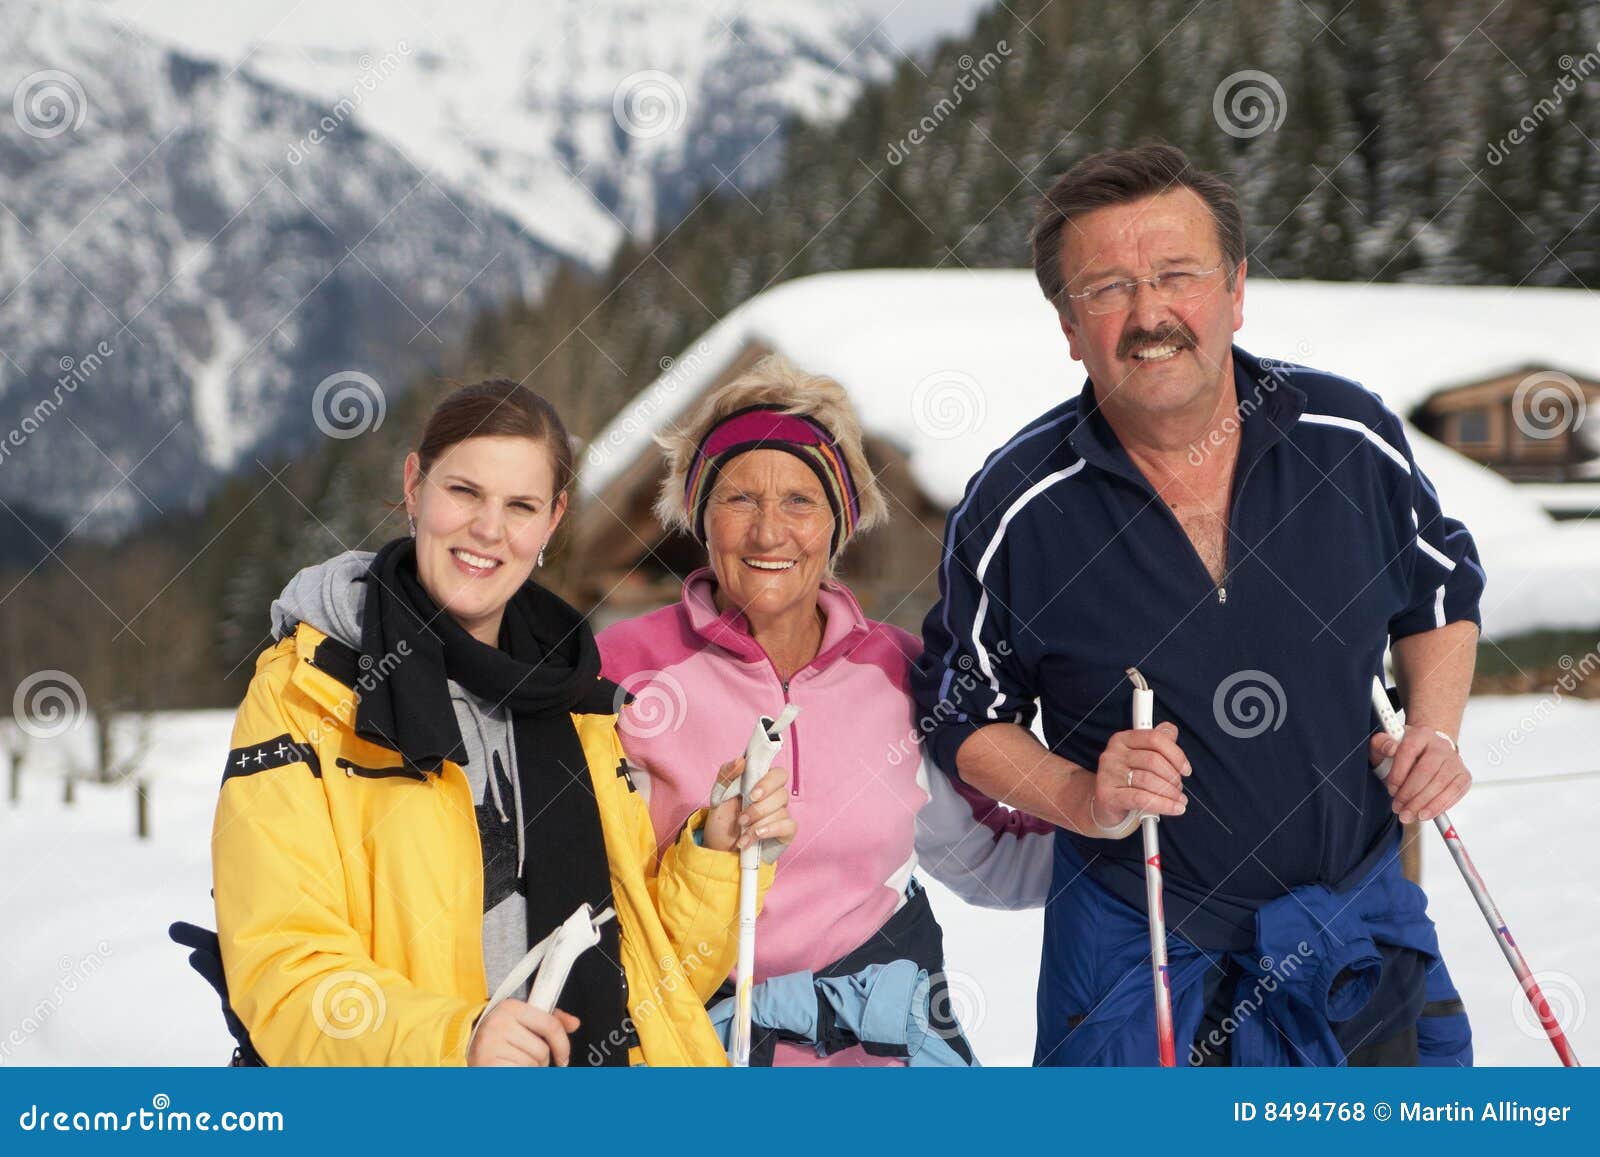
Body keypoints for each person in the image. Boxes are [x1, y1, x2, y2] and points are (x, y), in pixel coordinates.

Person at [914, 144, 1483, 1067]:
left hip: (1354, 931)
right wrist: (1079, 795)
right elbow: (960, 710)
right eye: (1106, 289)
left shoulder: (1348, 440)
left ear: (1236, 287)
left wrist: (1438, 730)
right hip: (1137, 962)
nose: (1149, 315)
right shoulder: (1018, 505)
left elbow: (1442, 588)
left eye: (1177, 275)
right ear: (1067, 325)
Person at [208, 380, 793, 1066]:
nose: (489, 529)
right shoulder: (308, 692)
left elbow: (644, 987)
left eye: (520, 505)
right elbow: (279, 969)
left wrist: (717, 855)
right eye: (464, 491)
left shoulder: (575, 697)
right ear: (414, 484)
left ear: (553, 520)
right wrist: (456, 1043)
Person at [598, 355, 1053, 1067]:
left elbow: (982, 852)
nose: (768, 532)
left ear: (840, 521)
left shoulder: (902, 673)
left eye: (800, 501)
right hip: (685, 1042)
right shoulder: (620, 670)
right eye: (739, 498)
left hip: (881, 1046)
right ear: (698, 513)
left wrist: (1112, 823)